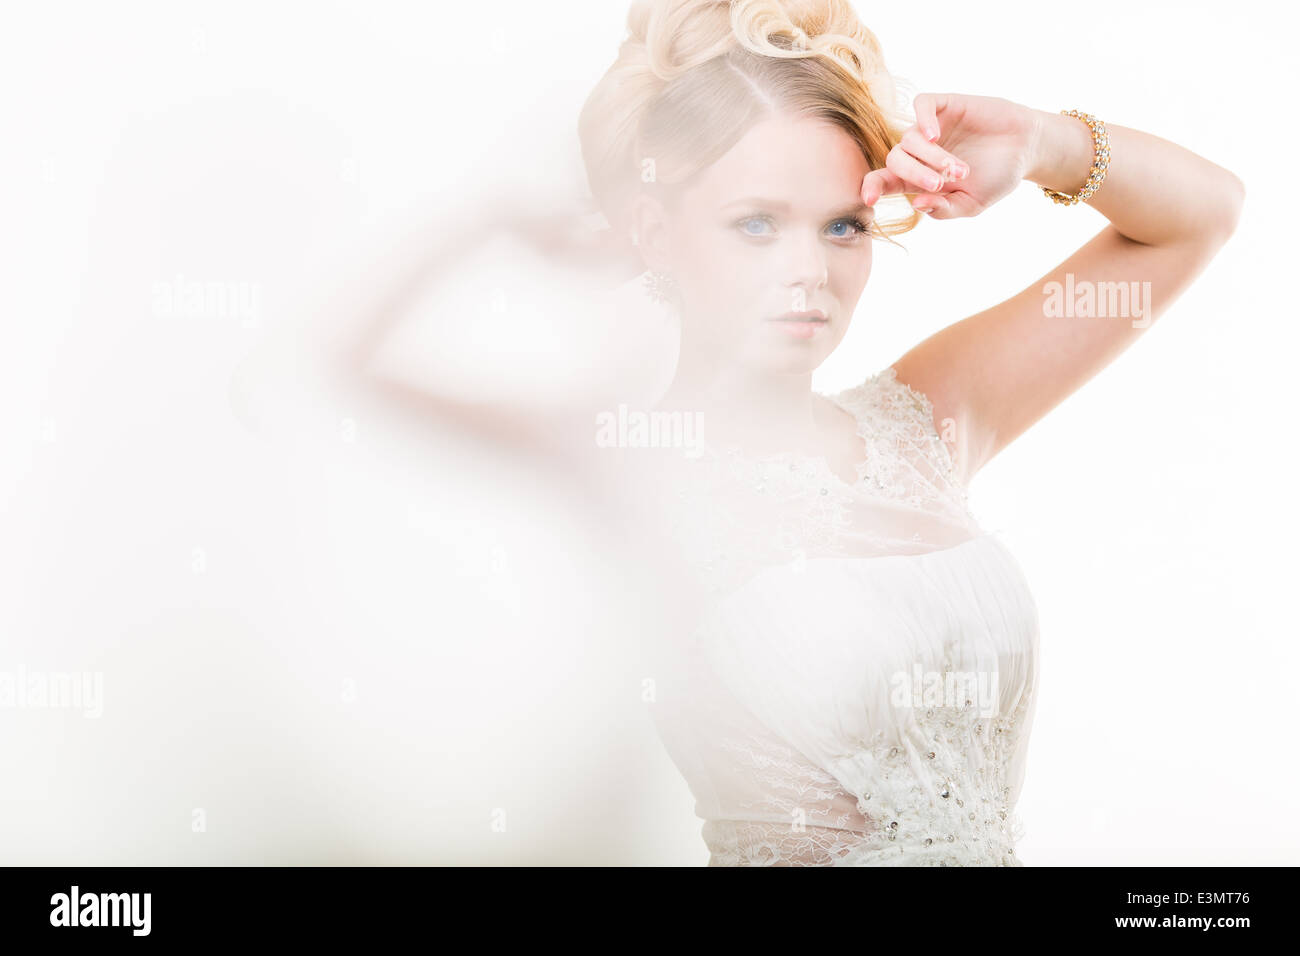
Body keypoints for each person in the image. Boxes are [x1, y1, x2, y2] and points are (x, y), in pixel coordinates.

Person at [577, 0, 1244, 865]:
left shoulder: (926, 419)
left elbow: (1201, 216)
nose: (808, 274)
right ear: (654, 232)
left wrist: (1041, 143)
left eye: (842, 225)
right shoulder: (618, 474)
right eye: (756, 224)